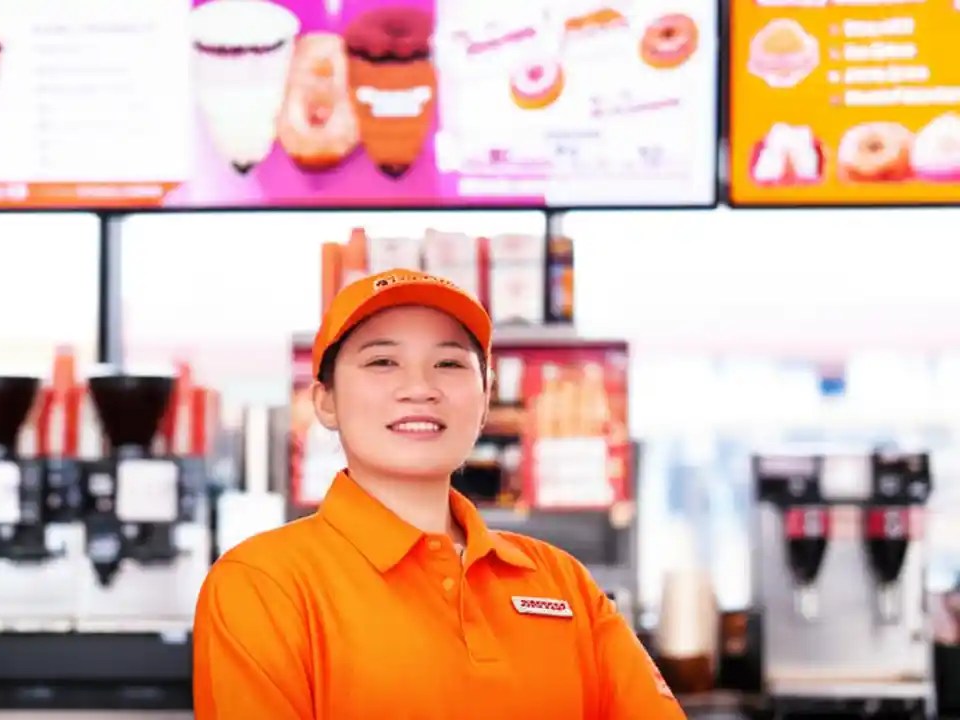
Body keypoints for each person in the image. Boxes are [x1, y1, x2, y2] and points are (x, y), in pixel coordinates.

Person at [192, 268, 686, 719]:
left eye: (449, 363)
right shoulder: (263, 585)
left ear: (486, 398)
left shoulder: (562, 583)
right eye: (382, 361)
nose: (420, 388)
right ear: (325, 402)